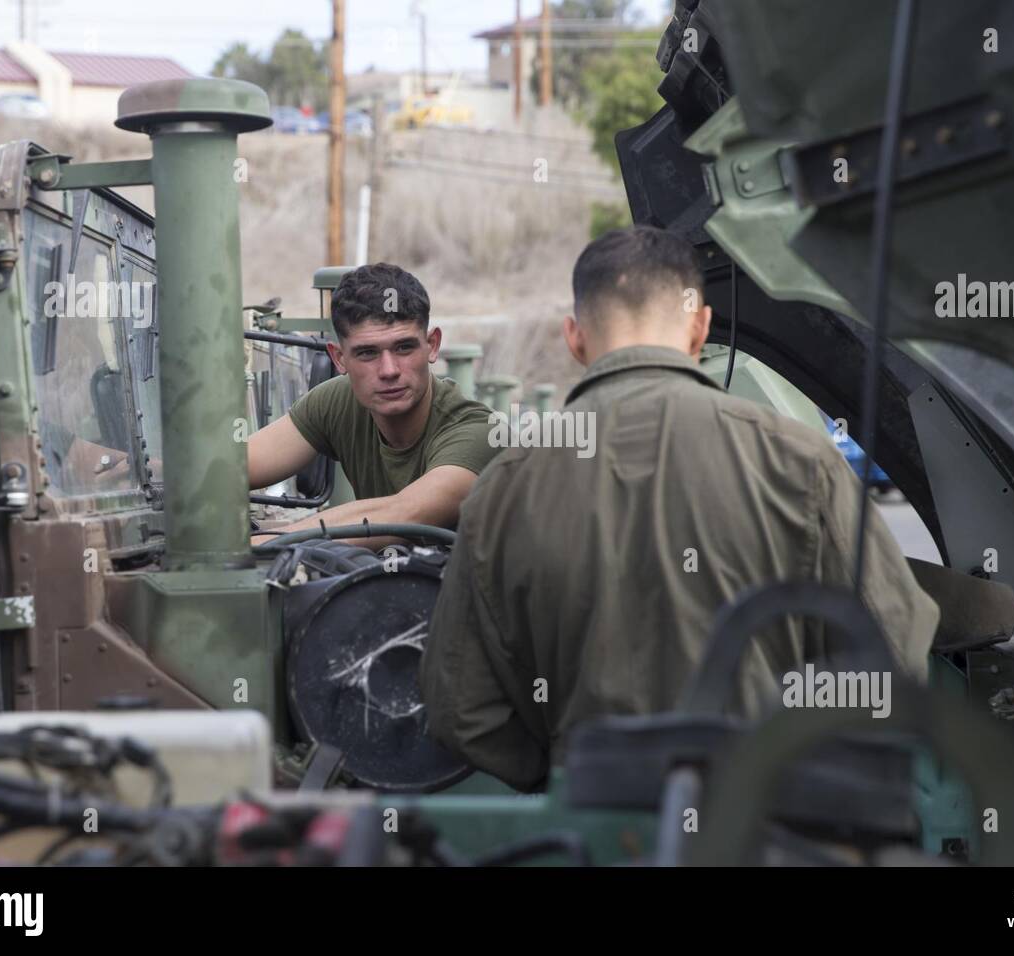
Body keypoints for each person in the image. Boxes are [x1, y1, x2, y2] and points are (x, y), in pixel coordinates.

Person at [419, 225, 940, 791]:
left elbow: (460, 707)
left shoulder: (503, 487)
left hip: (596, 829)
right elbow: (895, 648)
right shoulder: (798, 459)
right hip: (769, 827)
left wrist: (570, 775)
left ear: (574, 338)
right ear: (700, 328)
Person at [248, 263, 497, 544]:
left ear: (432, 345)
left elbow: (405, 513)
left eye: (404, 347)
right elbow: (234, 469)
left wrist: (260, 545)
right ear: (339, 358)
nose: (389, 370)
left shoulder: (478, 431)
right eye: (368, 353)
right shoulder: (337, 401)